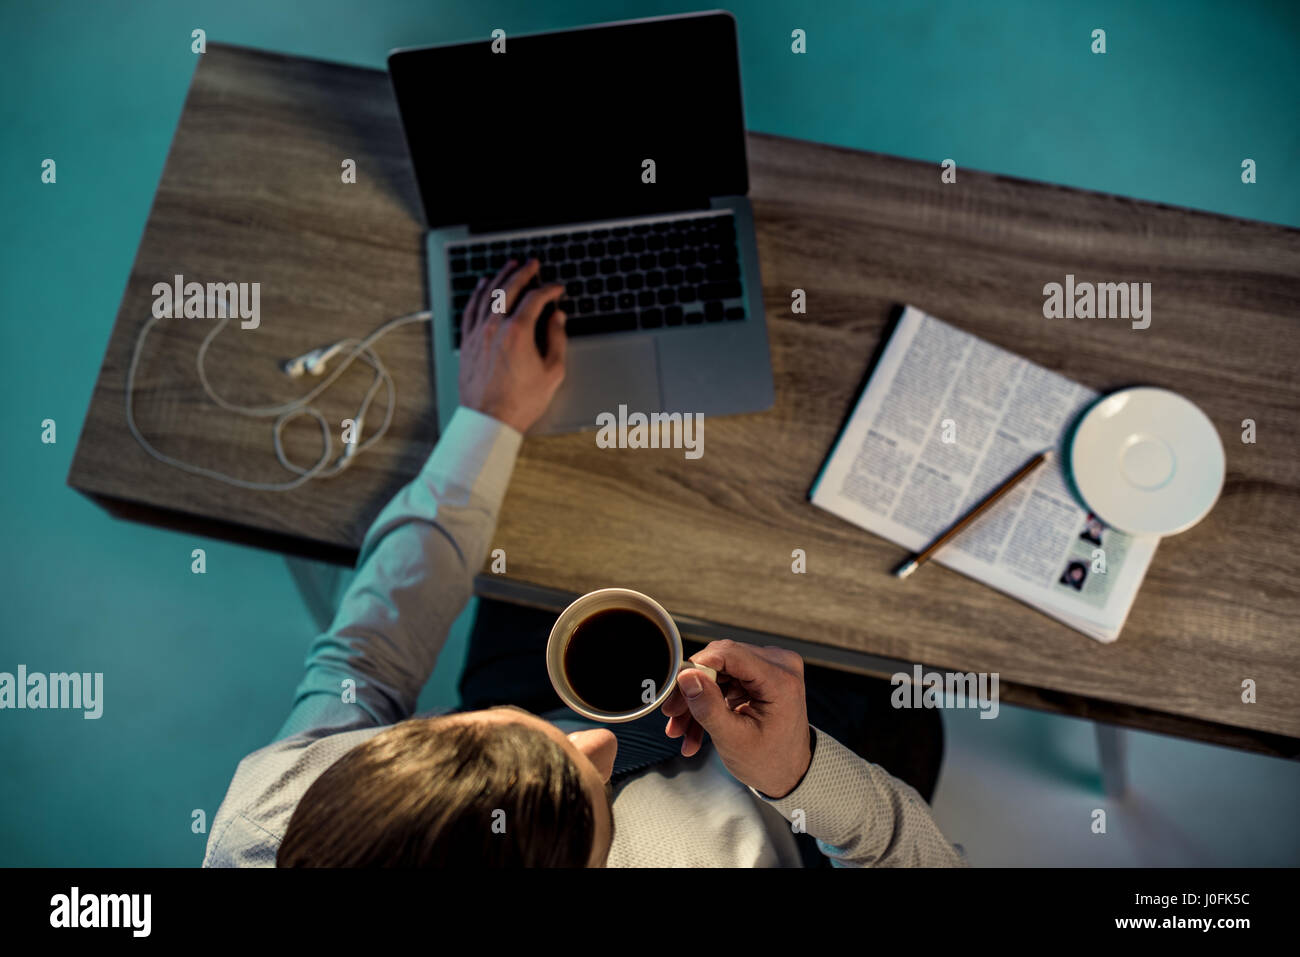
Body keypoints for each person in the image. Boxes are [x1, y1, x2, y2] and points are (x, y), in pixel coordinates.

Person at [203, 259, 966, 868]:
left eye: (472, 735)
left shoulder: (271, 818)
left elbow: (363, 667)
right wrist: (800, 772)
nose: (601, 736)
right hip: (786, 797)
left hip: (533, 674)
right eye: (588, 800)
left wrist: (486, 421)